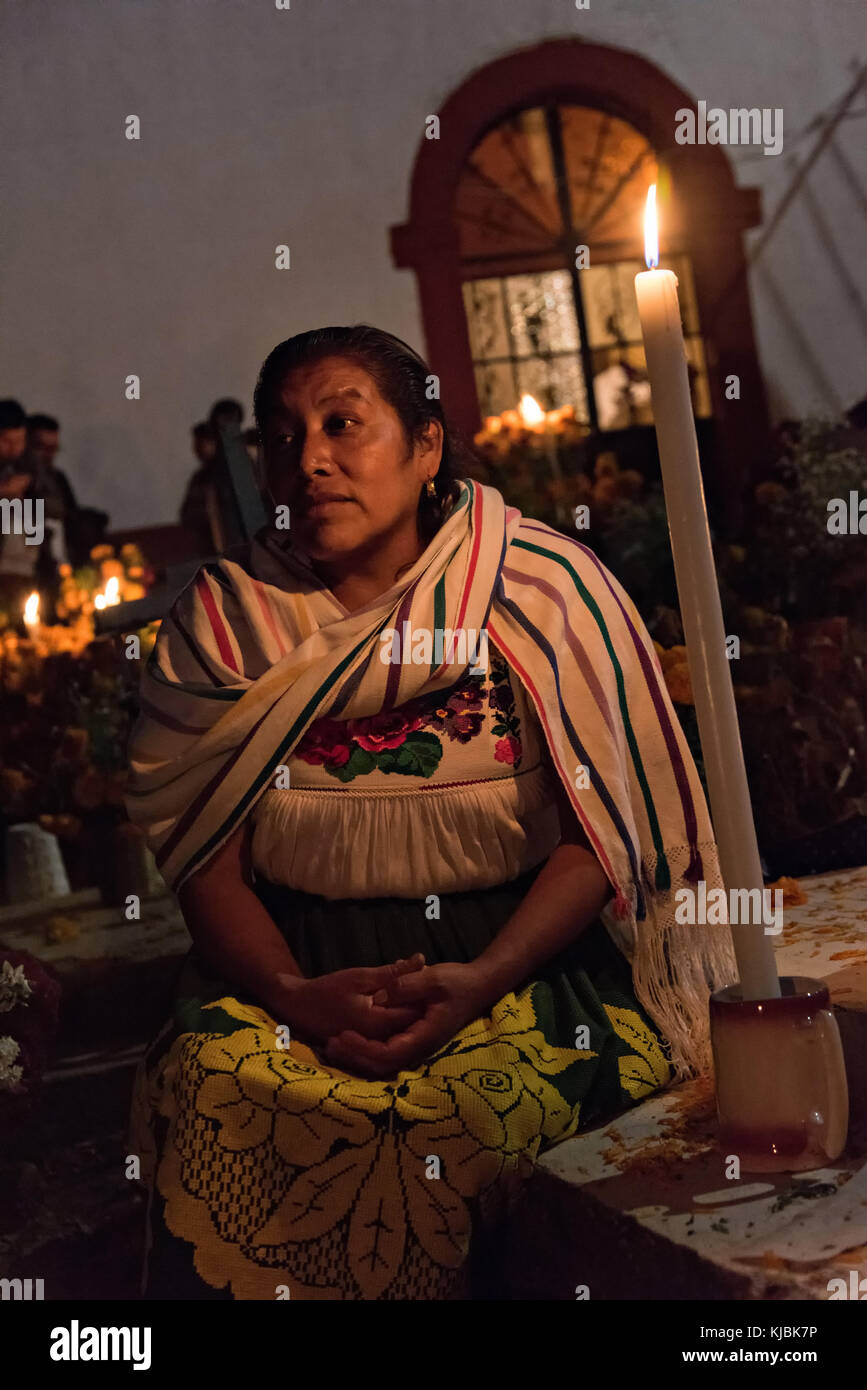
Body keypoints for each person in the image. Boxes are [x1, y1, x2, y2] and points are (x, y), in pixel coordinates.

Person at [126, 325, 735, 1301]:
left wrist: (484, 973)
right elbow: (206, 862)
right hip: (290, 982)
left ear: (425, 445)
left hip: (528, 974)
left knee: (469, 1131)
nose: (310, 457)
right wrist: (292, 992)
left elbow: (604, 834)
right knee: (222, 1107)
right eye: (283, 437)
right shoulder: (227, 620)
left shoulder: (544, 591)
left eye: (342, 424)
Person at [179, 421, 220, 554]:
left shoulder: (229, 475)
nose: (197, 449)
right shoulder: (200, 477)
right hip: (205, 543)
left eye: (201, 444)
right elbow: (187, 513)